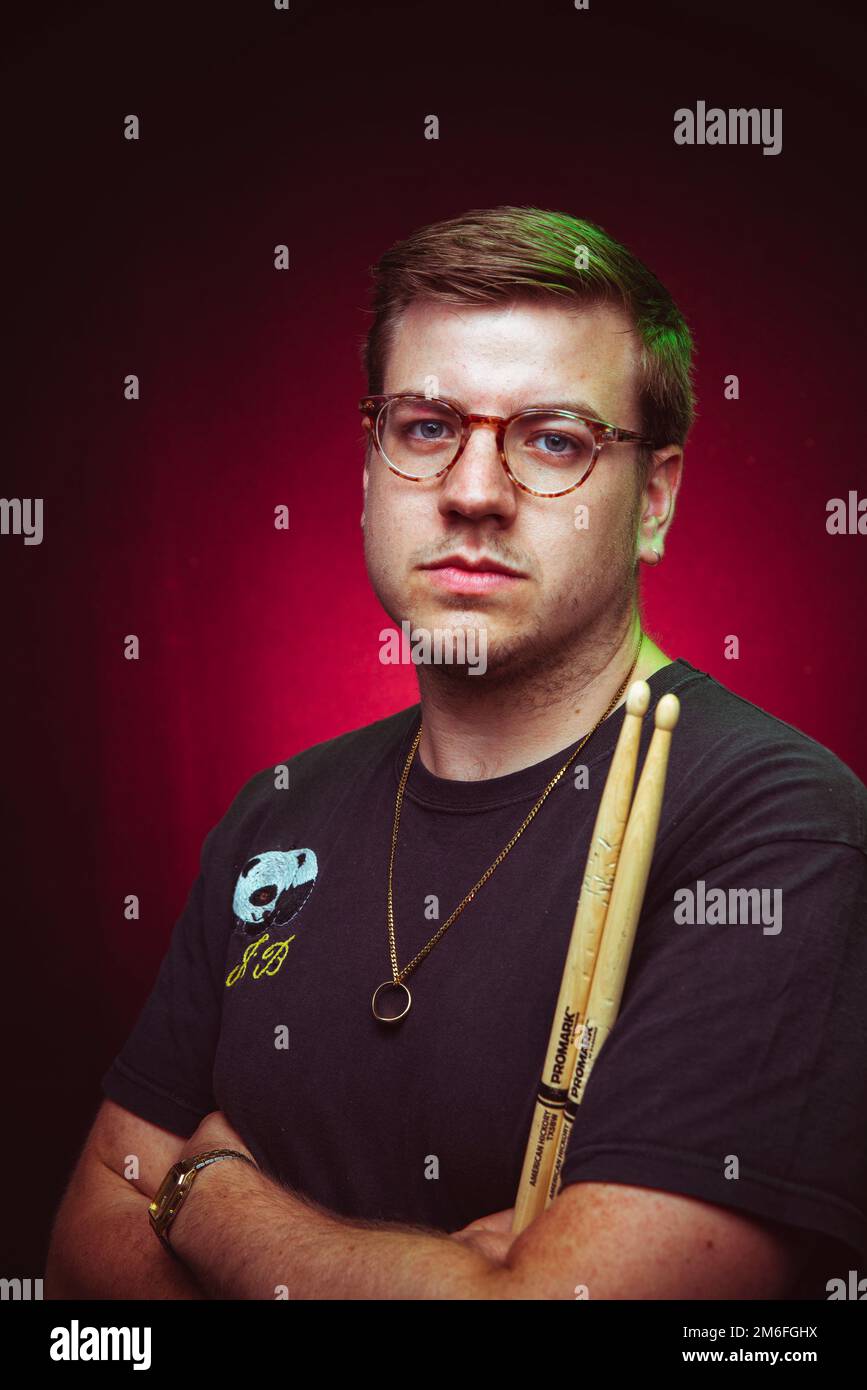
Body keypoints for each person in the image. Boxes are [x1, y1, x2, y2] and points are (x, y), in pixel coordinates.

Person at [46, 207, 867, 1300]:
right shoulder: (277, 815)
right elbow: (80, 1260)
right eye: (427, 426)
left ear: (655, 500)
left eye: (553, 439)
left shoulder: (776, 825)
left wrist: (211, 1195)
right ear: (371, 461)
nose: (475, 492)